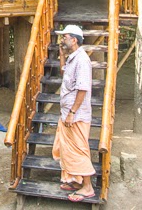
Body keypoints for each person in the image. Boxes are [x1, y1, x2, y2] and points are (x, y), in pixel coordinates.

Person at [52, 24, 96, 202]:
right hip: (68, 113)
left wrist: (72, 112)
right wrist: (62, 55)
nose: (62, 39)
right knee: (65, 147)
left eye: (65, 37)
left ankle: (87, 187)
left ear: (74, 40)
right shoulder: (72, 58)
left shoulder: (82, 60)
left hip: (76, 115)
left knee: (79, 150)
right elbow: (64, 73)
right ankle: (76, 181)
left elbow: (83, 89)